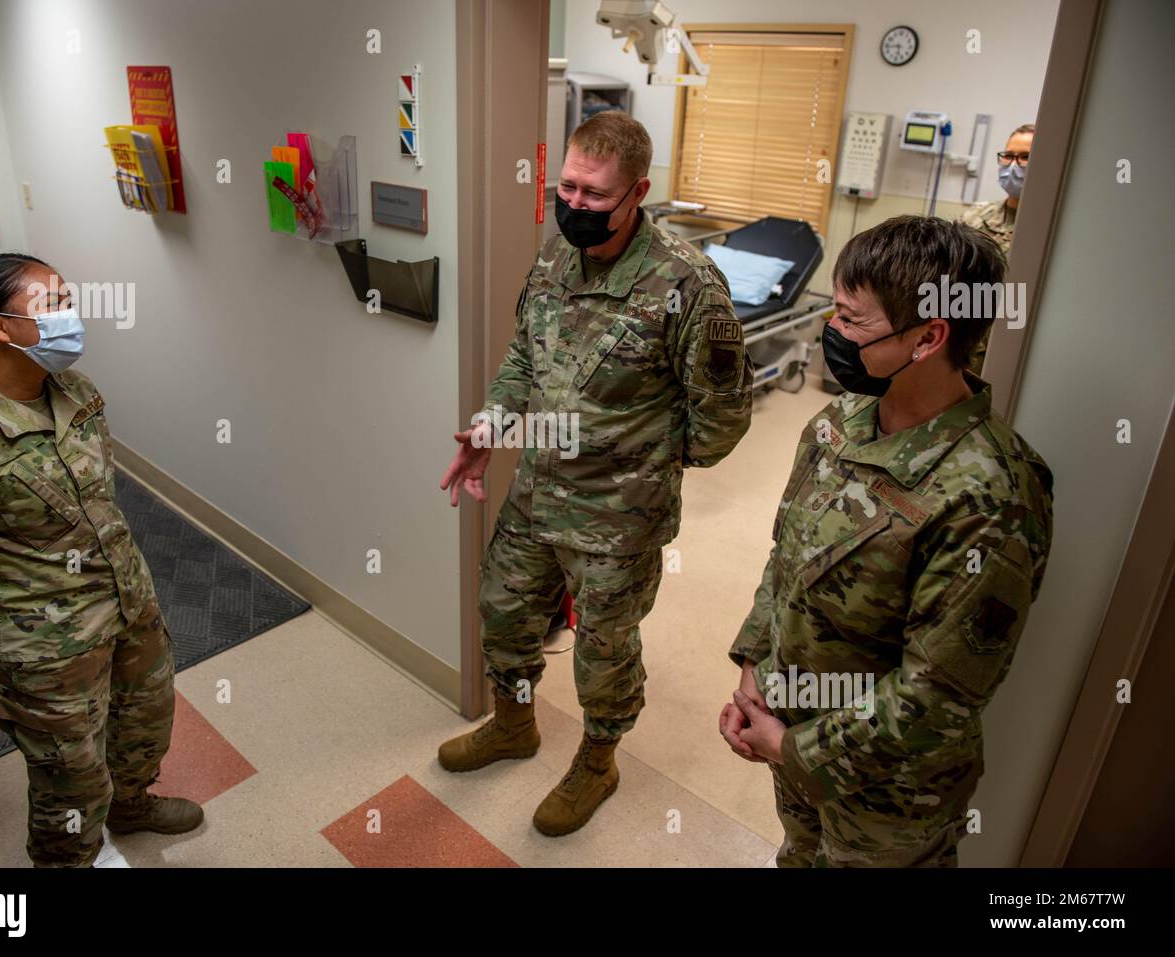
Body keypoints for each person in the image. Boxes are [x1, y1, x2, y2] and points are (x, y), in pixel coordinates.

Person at [438, 110, 754, 836]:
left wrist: (652, 459)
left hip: (619, 516)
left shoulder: (687, 284)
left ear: (637, 191)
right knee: (504, 614)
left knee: (604, 652)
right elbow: (524, 357)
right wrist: (490, 426)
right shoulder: (555, 258)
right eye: (568, 187)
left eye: (595, 194)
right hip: (537, 489)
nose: (575, 205)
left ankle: (599, 758)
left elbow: (723, 417)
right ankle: (514, 723)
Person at [720, 216, 1053, 867]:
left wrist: (793, 750)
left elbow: (937, 695)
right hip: (795, 732)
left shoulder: (990, 494)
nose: (831, 334)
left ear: (929, 336)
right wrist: (755, 667)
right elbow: (784, 558)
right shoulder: (836, 424)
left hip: (889, 801)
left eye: (851, 320)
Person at [0, 253, 201, 867]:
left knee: (144, 720)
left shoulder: (76, 391)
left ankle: (131, 803)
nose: (70, 316)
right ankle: (68, 860)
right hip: (44, 647)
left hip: (126, 602)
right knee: (70, 777)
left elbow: (99, 499)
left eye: (68, 299)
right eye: (51, 305)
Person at [958, 122, 1034, 373]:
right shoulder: (976, 217)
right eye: (1009, 156)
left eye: (1024, 157)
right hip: (967, 346)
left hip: (1019, 351)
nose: (1014, 164)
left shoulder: (1050, 230)